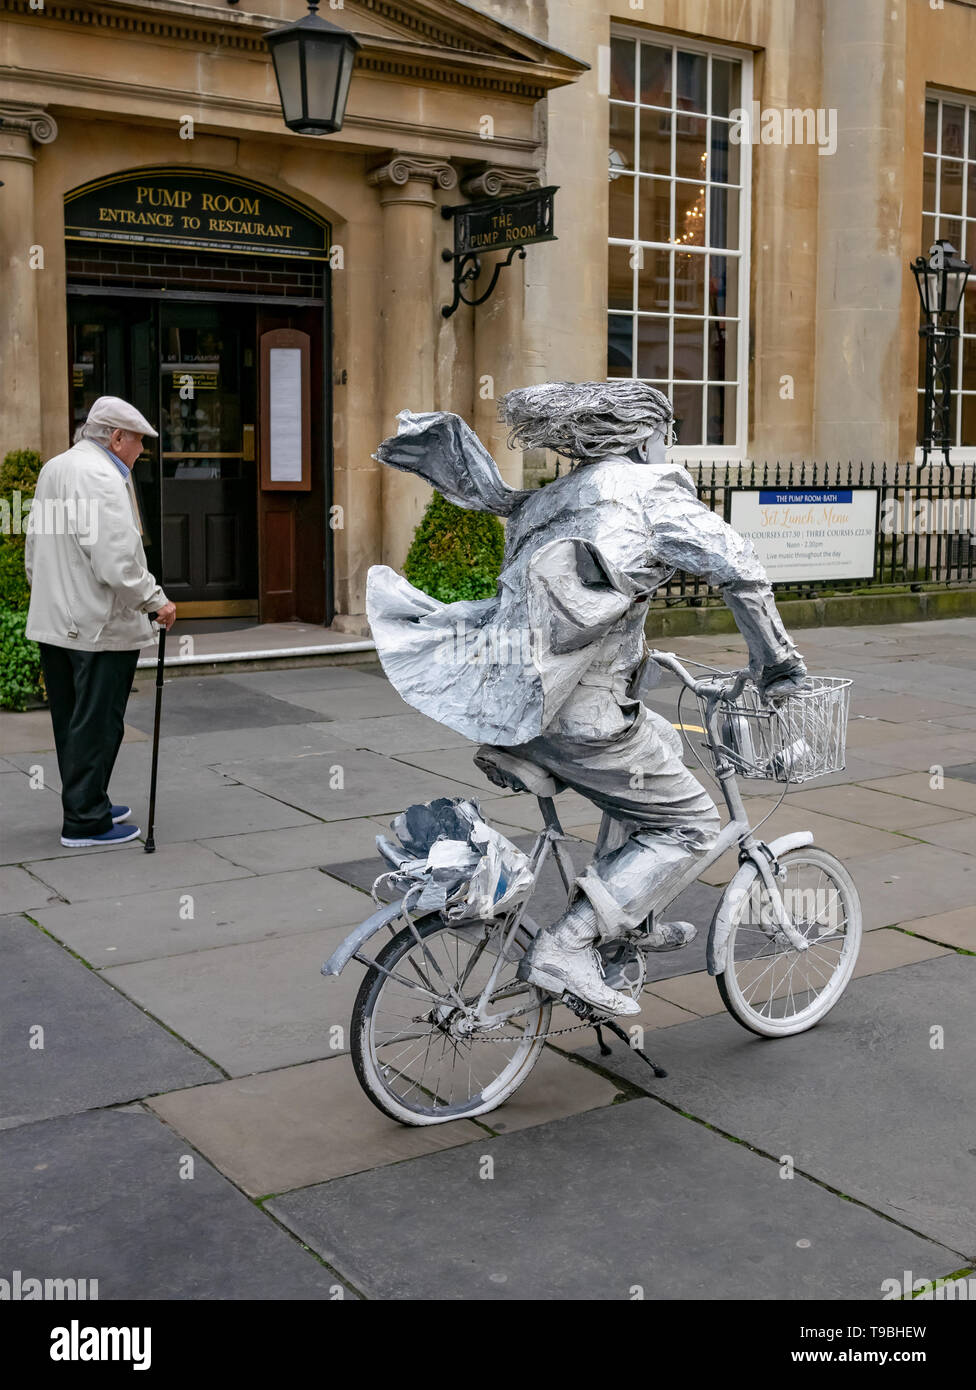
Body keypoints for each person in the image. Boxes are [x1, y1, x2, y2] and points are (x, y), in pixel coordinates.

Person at [366, 381, 807, 1015]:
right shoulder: (649, 491)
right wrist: (778, 666)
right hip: (584, 719)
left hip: (525, 704)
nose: (667, 448)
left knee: (654, 755)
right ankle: (569, 944)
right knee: (691, 825)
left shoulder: (547, 500)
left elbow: (572, 607)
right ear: (642, 436)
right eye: (666, 436)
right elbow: (742, 569)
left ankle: (626, 930)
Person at [24, 397, 177, 848]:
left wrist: (48, 595)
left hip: (56, 623)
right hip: (96, 626)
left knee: (73, 720)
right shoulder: (104, 478)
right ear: (116, 437)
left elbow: (35, 544)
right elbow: (117, 561)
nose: (141, 451)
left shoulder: (56, 468)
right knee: (98, 722)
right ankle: (86, 821)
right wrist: (155, 600)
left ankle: (87, 800)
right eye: (138, 442)